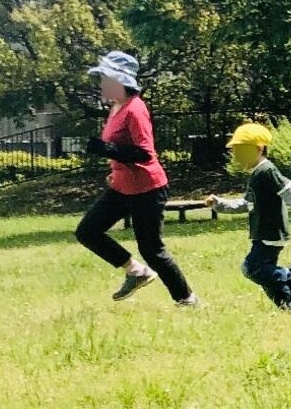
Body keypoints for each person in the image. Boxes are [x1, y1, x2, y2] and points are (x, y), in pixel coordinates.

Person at [72, 50, 199, 307]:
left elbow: (144, 153)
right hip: (122, 187)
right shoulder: (116, 108)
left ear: (119, 81)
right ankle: (136, 271)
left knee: (152, 249)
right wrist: (114, 168)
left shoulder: (135, 109)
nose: (101, 84)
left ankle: (187, 300)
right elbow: (121, 150)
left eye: (104, 78)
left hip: (147, 189)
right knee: (87, 231)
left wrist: (107, 150)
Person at [209, 121, 291, 311]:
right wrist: (219, 204)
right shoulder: (257, 174)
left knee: (251, 269)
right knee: (266, 278)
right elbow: (246, 204)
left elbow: (289, 188)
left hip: (270, 232)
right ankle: (290, 304)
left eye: (241, 150)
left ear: (259, 149)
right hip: (263, 233)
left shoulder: (267, 170)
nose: (237, 156)